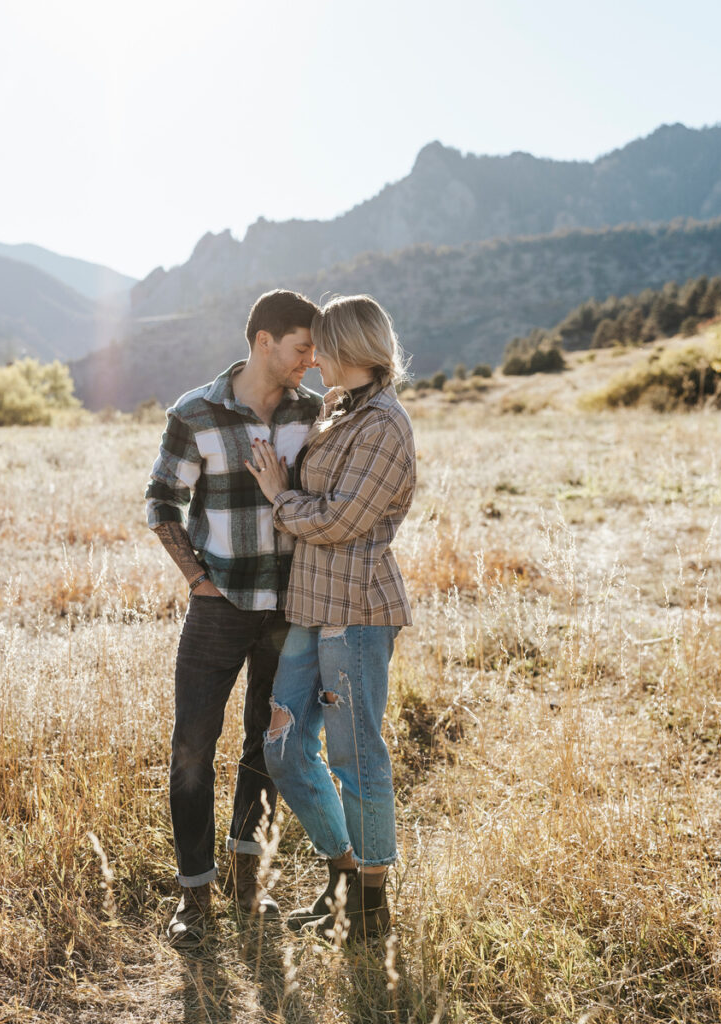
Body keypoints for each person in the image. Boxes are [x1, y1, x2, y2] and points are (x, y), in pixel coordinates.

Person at [145, 288, 323, 948]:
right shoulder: (195, 413)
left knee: (267, 748)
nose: (312, 359)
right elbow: (161, 501)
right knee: (192, 748)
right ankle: (195, 896)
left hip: (289, 609)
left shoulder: (315, 414)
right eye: (303, 346)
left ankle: (250, 886)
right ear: (264, 342)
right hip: (217, 611)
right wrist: (197, 578)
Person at [244, 294, 414, 946]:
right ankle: (343, 873)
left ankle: (371, 909)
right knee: (283, 749)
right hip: (310, 608)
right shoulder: (336, 409)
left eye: (323, 347)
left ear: (354, 348)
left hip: (359, 613)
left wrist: (277, 496)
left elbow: (342, 520)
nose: (314, 359)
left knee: (355, 754)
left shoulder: (385, 426)